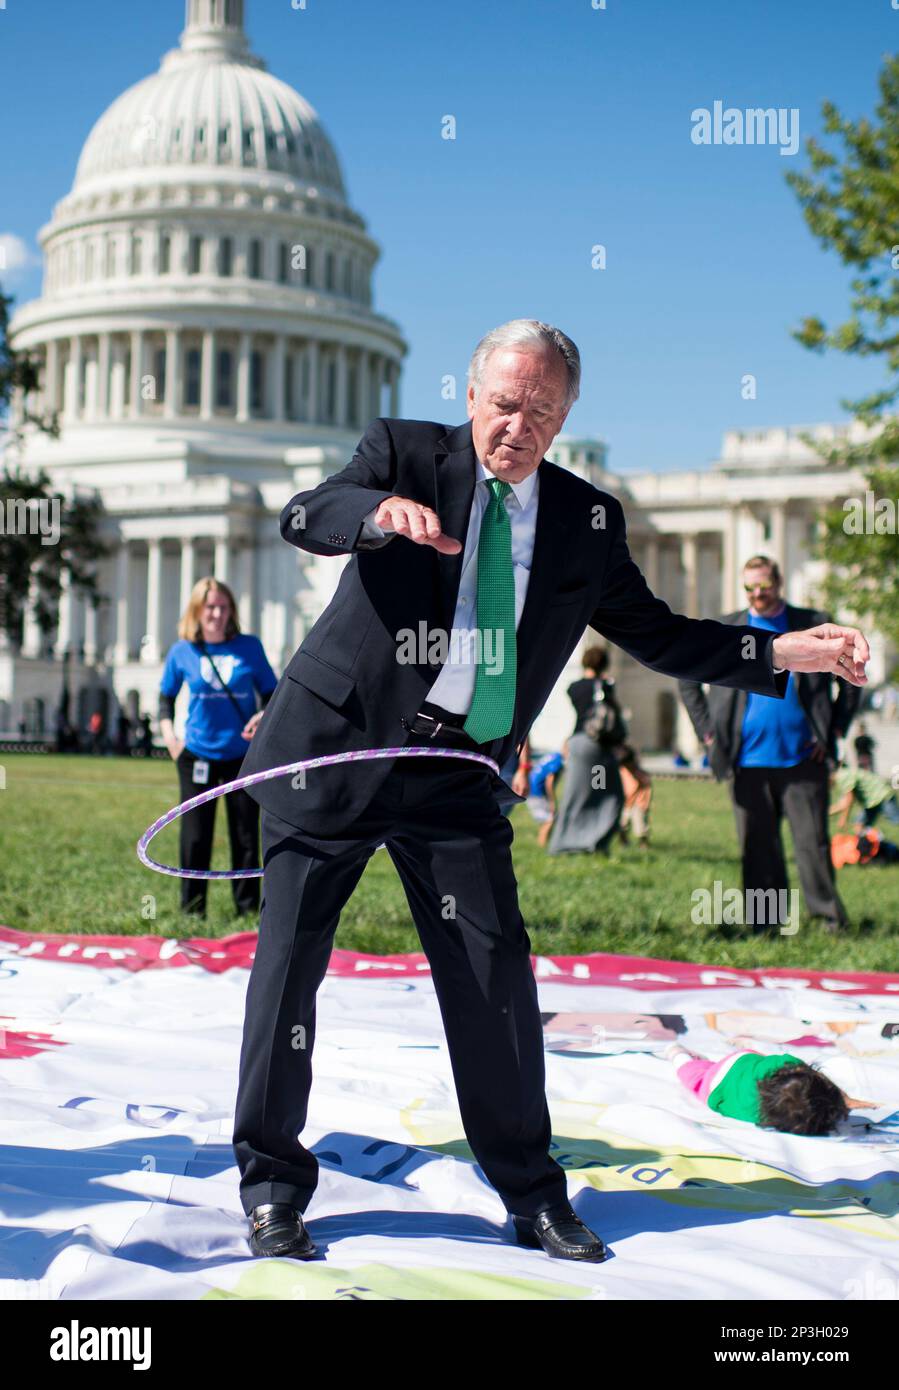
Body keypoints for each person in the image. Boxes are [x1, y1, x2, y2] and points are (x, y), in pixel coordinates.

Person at [232, 317, 870, 1265]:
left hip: (457, 771)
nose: (515, 426)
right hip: (339, 747)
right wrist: (373, 518)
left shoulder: (585, 517)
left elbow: (656, 631)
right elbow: (306, 512)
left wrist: (777, 651)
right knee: (287, 969)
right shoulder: (402, 453)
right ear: (470, 395)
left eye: (539, 410)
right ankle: (273, 1183)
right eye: (502, 403)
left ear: (564, 415)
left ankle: (531, 1194)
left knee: (495, 982)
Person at [678, 556, 861, 933]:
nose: (757, 595)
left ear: (779, 584)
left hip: (803, 759)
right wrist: (709, 734)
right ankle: (766, 925)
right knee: (758, 848)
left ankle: (829, 921)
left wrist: (834, 731)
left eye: (764, 586)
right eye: (750, 588)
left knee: (813, 845)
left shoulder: (811, 624)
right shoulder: (727, 627)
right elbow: (687, 677)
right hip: (746, 760)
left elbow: (852, 677)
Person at [158, 577, 278, 919]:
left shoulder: (249, 647)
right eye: (210, 607)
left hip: (241, 755)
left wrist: (262, 715)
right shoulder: (183, 651)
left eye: (223, 607)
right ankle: (192, 911)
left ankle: (248, 909)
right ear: (197, 611)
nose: (217, 614)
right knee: (195, 837)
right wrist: (171, 739)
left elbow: (272, 693)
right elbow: (165, 697)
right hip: (196, 754)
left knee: (244, 835)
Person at [664, 1041, 874, 1134]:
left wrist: (842, 1097)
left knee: (691, 1070)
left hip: (741, 1062)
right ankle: (679, 1055)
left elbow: (817, 1081)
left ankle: (677, 1053)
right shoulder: (764, 1115)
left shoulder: (782, 1065)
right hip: (715, 1085)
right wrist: (844, 1099)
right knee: (692, 1074)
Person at [547, 644, 625, 855]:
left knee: (576, 795)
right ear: (605, 664)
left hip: (577, 745)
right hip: (597, 749)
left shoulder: (574, 687)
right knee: (604, 793)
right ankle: (594, 842)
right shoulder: (606, 685)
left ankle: (564, 842)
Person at [829, 762, 899, 831]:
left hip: (882, 795)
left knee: (896, 819)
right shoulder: (842, 775)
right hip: (872, 800)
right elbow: (843, 804)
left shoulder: (842, 777)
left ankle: (877, 840)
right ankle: (873, 841)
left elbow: (849, 799)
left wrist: (843, 818)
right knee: (859, 825)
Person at [526, 747, 564, 847]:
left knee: (546, 819)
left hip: (531, 788)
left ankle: (543, 843)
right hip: (537, 792)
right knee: (550, 819)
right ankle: (542, 846)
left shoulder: (553, 755)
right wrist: (552, 801)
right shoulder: (559, 760)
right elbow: (549, 781)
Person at [617, 743, 653, 848]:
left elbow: (646, 789)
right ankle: (623, 842)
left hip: (638, 803)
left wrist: (644, 803)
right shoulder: (621, 772)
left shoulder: (640, 774)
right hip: (624, 802)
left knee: (641, 827)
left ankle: (644, 844)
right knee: (622, 825)